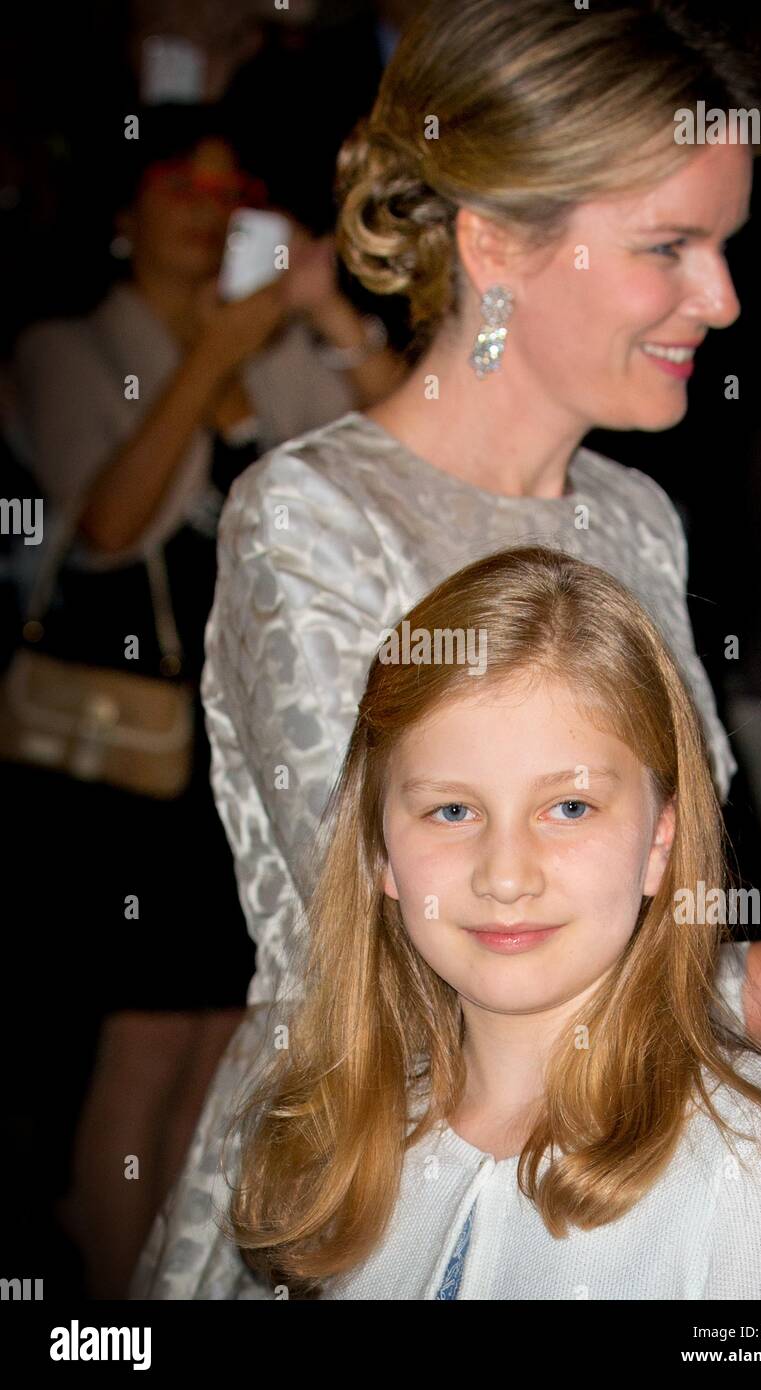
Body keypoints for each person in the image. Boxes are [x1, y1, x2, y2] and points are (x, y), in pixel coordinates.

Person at [131, 0, 761, 1299]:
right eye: (669, 246)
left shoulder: (635, 517)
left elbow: (663, 913)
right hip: (365, 1196)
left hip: (620, 1176)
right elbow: (433, 976)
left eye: (724, 244)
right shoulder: (313, 520)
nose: (723, 297)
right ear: (492, 243)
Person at [226, 546, 761, 1299]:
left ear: (660, 842)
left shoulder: (760, 1157)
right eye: (452, 810)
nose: (505, 875)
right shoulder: (336, 1139)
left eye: (569, 808)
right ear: (380, 853)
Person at [10, 102, 402, 1297]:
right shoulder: (64, 349)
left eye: (231, 195)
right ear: (126, 217)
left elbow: (409, 463)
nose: (207, 211)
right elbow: (111, 523)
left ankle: (165, 1285)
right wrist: (211, 356)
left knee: (222, 1043)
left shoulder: (278, 356)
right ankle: (99, 1304)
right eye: (181, 186)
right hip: (124, 767)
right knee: (133, 1044)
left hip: (245, 755)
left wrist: (327, 315)